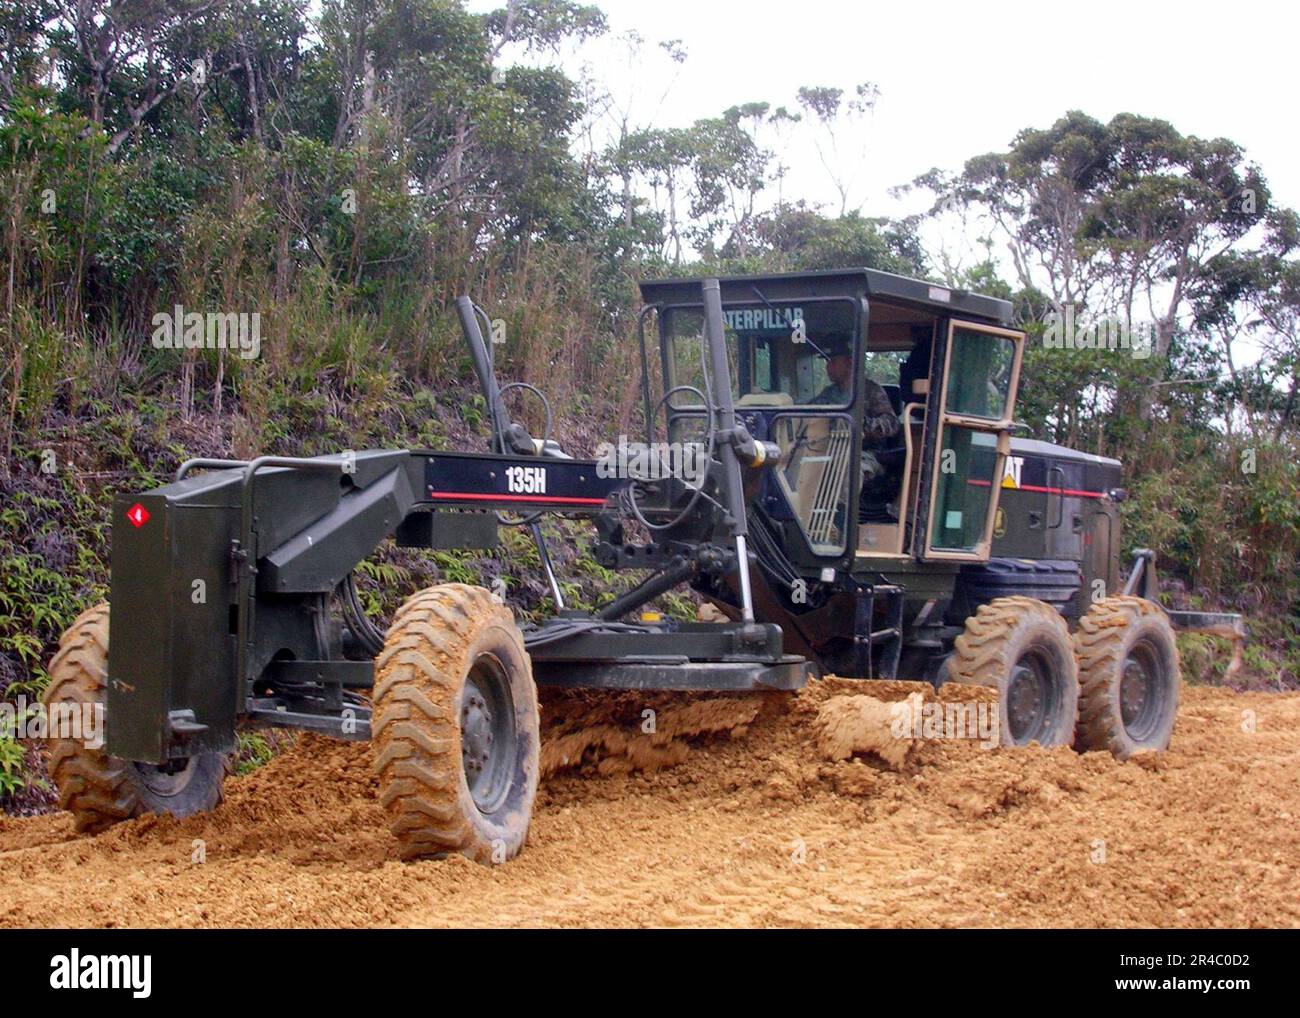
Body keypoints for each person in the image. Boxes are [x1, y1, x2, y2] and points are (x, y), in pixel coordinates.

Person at [810, 341, 901, 482]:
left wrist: (862, 424)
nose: (828, 367)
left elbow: (892, 423)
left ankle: (841, 505)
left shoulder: (872, 391)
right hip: (830, 450)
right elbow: (807, 413)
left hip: (866, 454)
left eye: (833, 362)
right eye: (827, 363)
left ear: (850, 363)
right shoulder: (828, 393)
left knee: (849, 472)